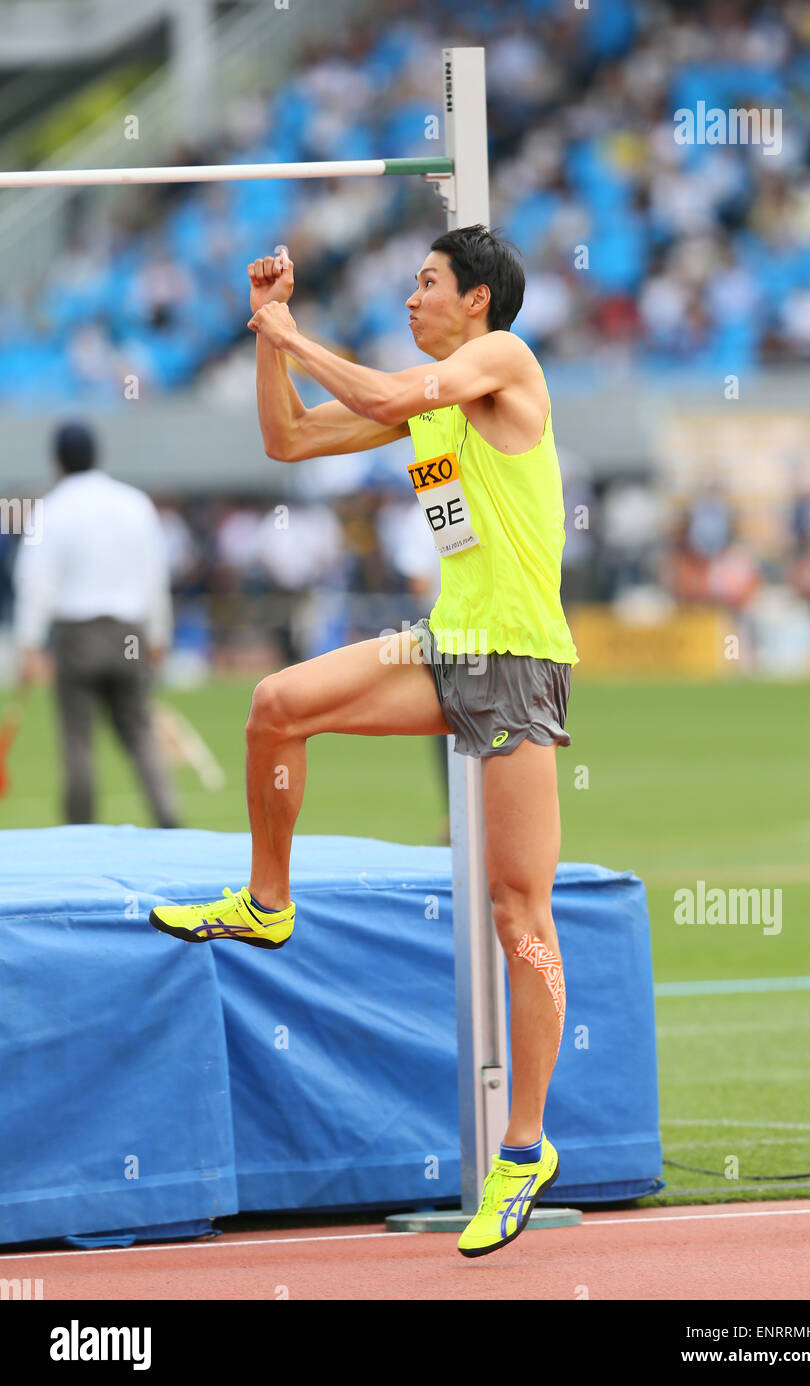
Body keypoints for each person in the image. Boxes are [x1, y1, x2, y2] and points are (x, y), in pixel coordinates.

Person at [150, 226, 578, 1257]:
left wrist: (298, 331)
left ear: (475, 299)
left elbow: (389, 397)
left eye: (424, 283)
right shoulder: (432, 405)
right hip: (442, 648)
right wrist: (266, 334)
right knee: (274, 705)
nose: (409, 298)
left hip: (515, 661)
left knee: (518, 909)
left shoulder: (502, 361)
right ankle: (266, 900)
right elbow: (287, 442)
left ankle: (522, 1148)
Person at [11, 421, 179, 828]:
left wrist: (29, 644)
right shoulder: (133, 502)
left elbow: (35, 580)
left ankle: (80, 833)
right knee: (139, 733)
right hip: (129, 634)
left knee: (77, 740)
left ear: (57, 461)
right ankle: (169, 820)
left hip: (77, 635)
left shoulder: (52, 508)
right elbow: (155, 573)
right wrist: (159, 636)